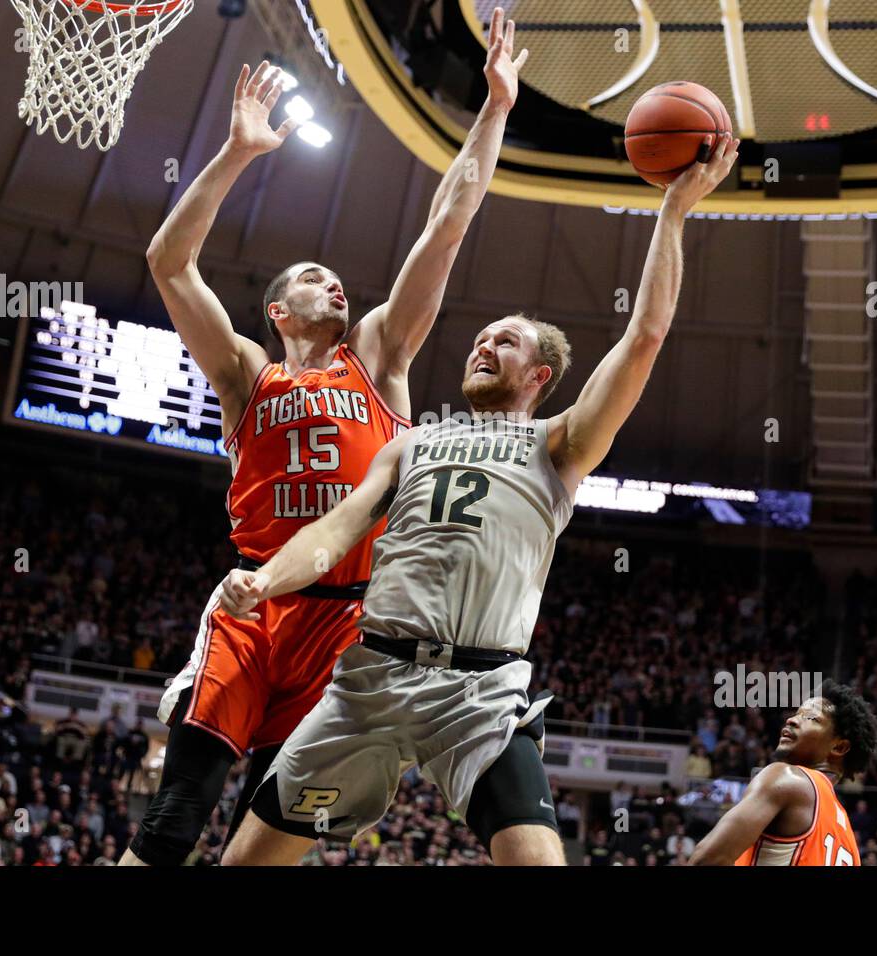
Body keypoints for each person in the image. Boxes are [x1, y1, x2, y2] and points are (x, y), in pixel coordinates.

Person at [217, 136, 740, 865]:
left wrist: (674, 211)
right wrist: (264, 578)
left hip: (478, 692)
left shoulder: (561, 444)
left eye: (506, 342)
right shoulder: (412, 443)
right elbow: (332, 535)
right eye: (481, 337)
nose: (483, 346)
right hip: (370, 677)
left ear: (542, 374)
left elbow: (646, 336)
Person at [121, 8, 529, 866]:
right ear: (277, 311)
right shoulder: (245, 372)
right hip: (253, 607)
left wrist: (493, 110)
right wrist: (239, 152)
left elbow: (445, 226)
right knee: (174, 821)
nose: (333, 284)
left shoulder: (377, 360)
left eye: (338, 278)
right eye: (314, 278)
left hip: (348, 633)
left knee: (263, 847)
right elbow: (167, 262)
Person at [688, 685, 877, 866]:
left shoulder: (787, 778)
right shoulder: (848, 840)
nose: (792, 720)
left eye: (811, 718)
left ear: (839, 746)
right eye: (798, 714)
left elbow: (706, 860)